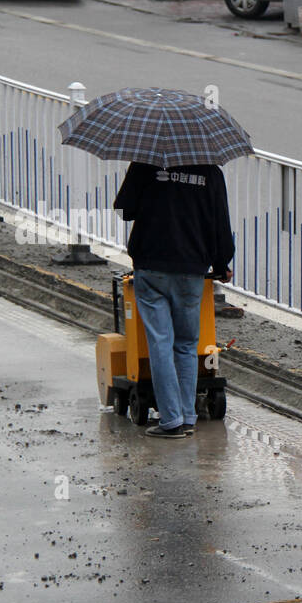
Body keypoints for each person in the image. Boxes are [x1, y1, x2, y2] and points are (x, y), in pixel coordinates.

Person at [114, 162, 235, 439]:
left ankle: (170, 420)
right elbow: (220, 222)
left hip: (151, 267)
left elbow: (124, 209)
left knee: (160, 343)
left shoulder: (145, 163)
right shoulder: (211, 172)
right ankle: (188, 415)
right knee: (186, 345)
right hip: (191, 270)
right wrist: (221, 263)